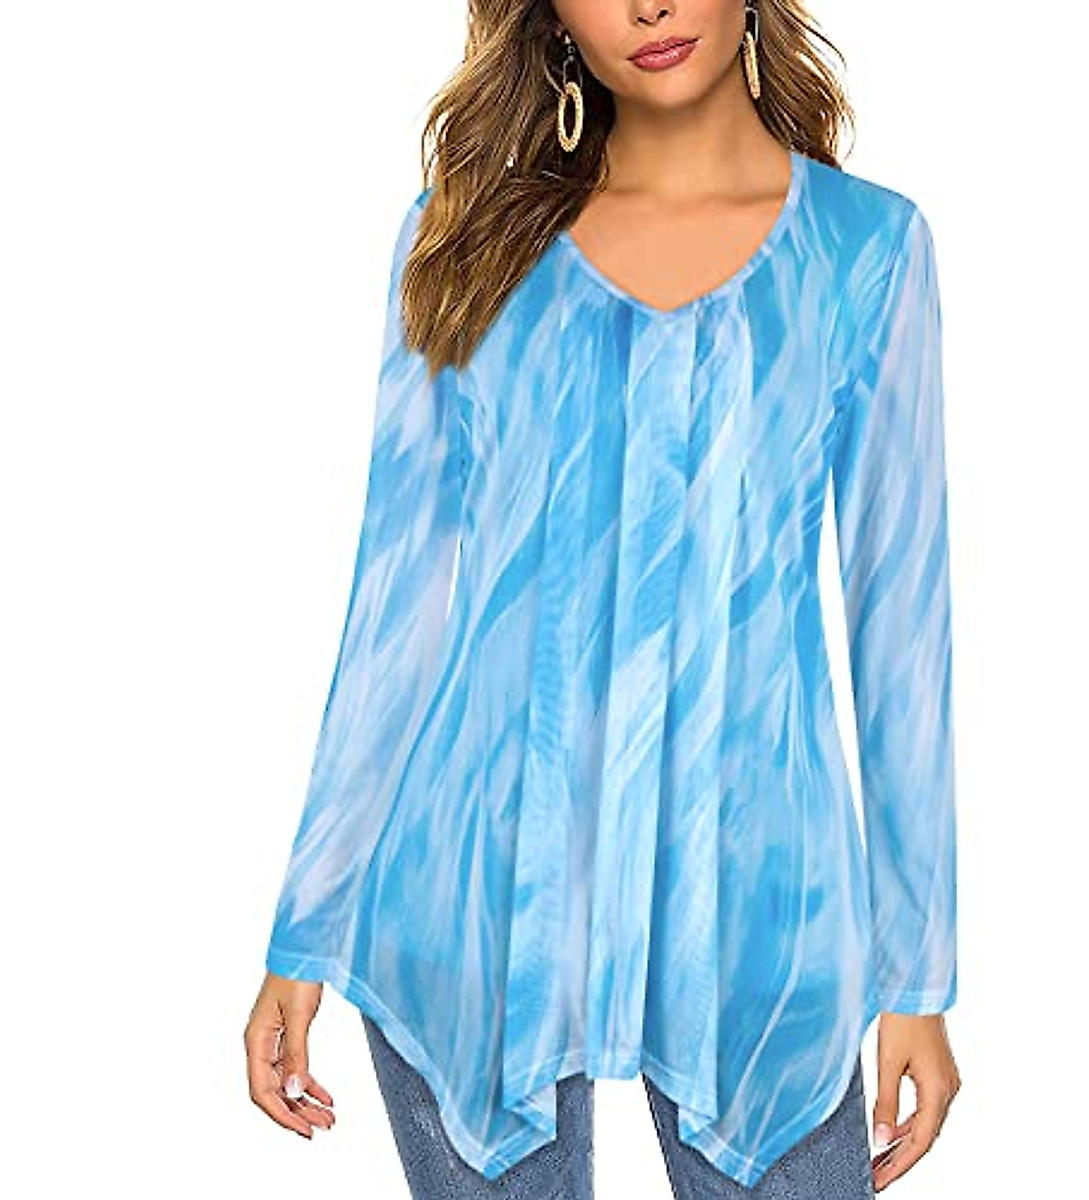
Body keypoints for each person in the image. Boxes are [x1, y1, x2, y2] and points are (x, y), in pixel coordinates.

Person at [243, 1, 963, 1196]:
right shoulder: (464, 238)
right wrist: (304, 930)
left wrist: (916, 981)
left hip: (760, 932)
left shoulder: (867, 252)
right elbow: (394, 602)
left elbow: (903, 630)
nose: (648, 6)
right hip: (473, 921)